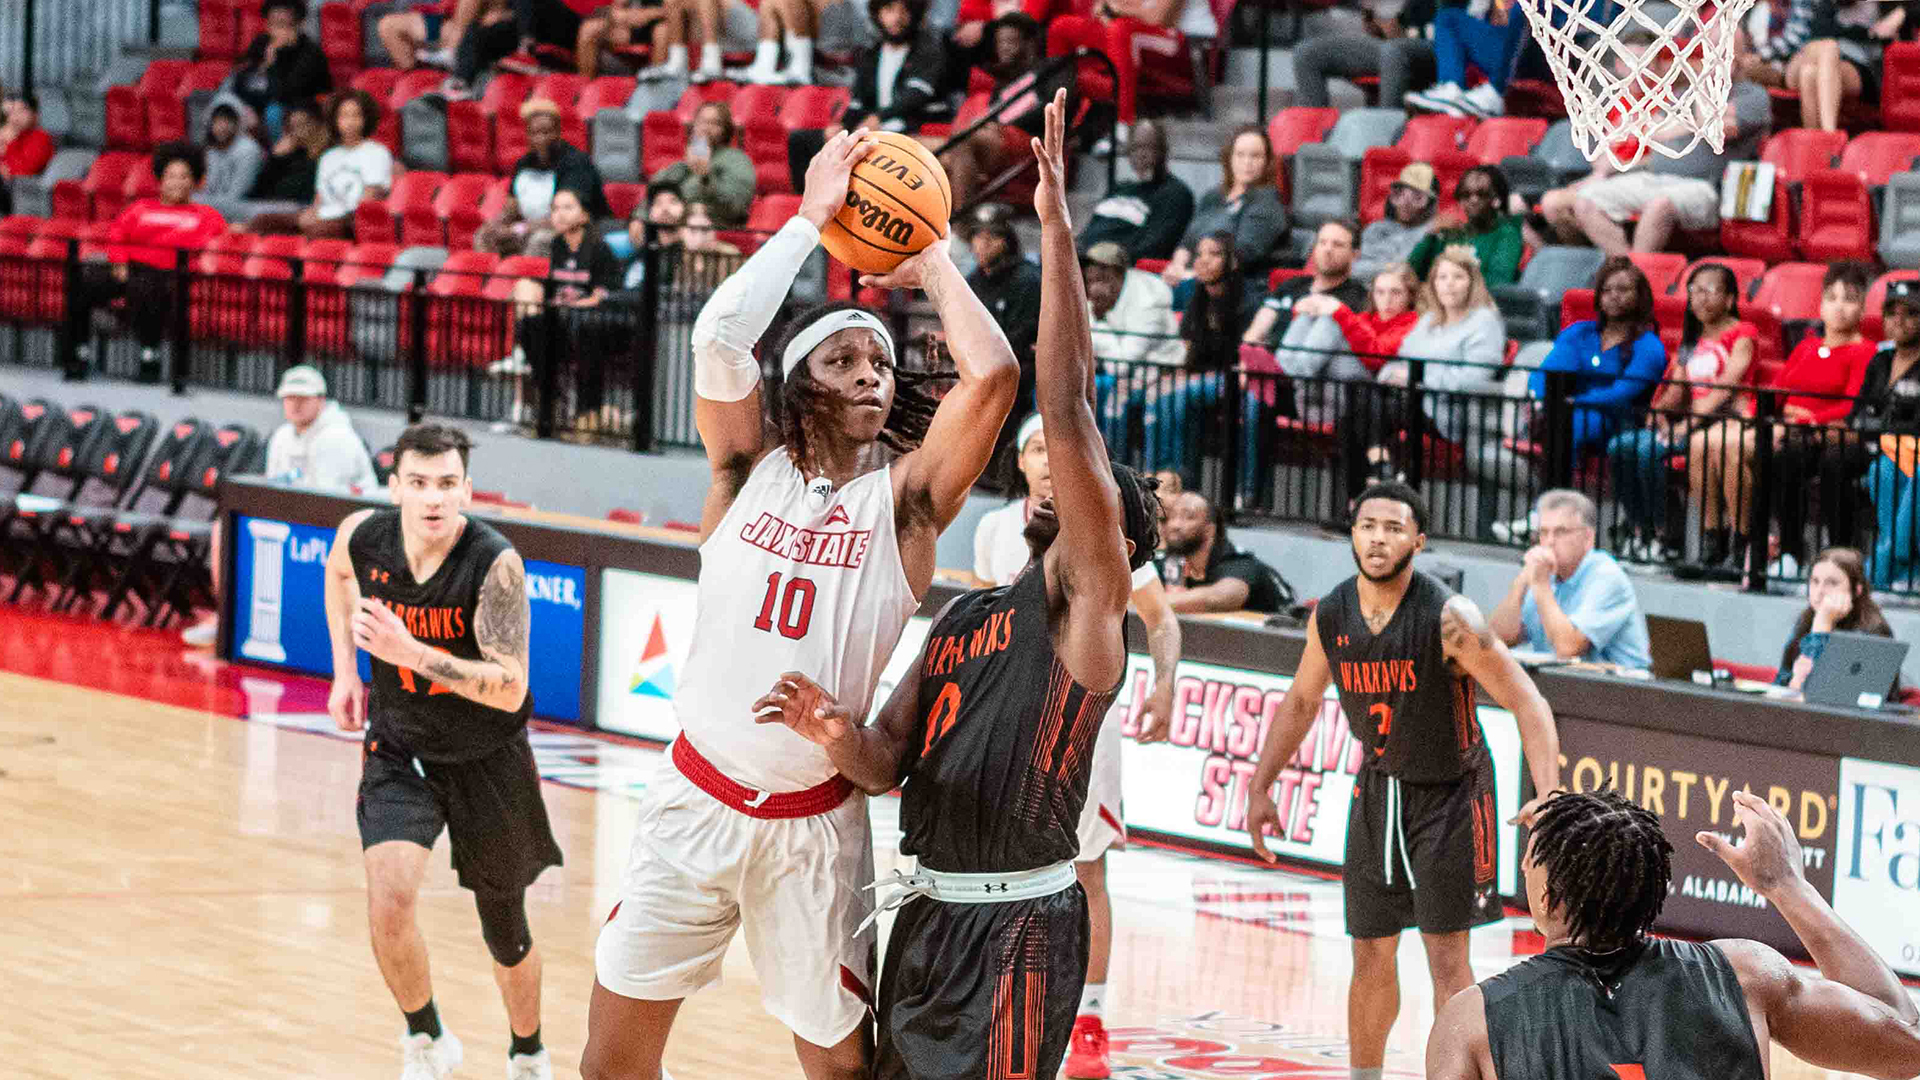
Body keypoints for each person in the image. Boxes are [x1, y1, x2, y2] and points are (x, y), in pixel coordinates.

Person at [582, 129, 1019, 1080]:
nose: (872, 372)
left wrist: (933, 255)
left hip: (814, 828)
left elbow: (994, 377)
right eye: (846, 360)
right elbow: (717, 337)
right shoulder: (746, 471)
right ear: (797, 390)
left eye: (881, 362)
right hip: (691, 801)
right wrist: (811, 221)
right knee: (607, 1065)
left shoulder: (904, 503)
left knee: (837, 1071)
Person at [752, 93, 1159, 1080]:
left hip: (1020, 932)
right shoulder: (968, 614)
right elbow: (889, 760)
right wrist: (833, 735)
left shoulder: (1085, 607)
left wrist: (1054, 233)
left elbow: (1062, 400)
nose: (1051, 470)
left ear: (1112, 537)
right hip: (926, 921)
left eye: (1081, 483)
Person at [1244, 481, 1562, 1080]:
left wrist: (1547, 797)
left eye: (1394, 527)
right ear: (1353, 533)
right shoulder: (1332, 613)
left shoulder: (1450, 618)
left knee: (1446, 957)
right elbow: (1300, 703)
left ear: (1417, 539)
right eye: (1368, 525)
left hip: (1453, 794)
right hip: (1380, 790)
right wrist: (1262, 784)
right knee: (1369, 951)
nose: (1378, 538)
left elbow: (1530, 703)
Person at [322, 422, 560, 1080]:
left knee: (505, 931)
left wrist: (411, 654)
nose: (433, 498)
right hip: (400, 749)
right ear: (394, 487)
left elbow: (512, 689)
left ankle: (528, 1050)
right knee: (389, 899)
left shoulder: (494, 563)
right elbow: (337, 573)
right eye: (419, 484)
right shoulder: (363, 536)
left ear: (467, 489)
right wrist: (346, 671)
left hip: (488, 758)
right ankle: (426, 1038)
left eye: (448, 484)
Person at [1426, 789, 1920, 1080]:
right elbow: (1908, 1045)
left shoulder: (1472, 1022)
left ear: (1548, 900)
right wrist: (1787, 886)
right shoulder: (1746, 975)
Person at [1694, 261, 1876, 573]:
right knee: (1705, 442)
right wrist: (1754, 415)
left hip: (1816, 435)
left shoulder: (1865, 351)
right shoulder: (1806, 346)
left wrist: (1803, 420)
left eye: (1849, 299)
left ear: (1863, 307)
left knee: (1738, 450)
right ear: (1820, 305)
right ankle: (1719, 542)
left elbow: (1851, 405)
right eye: (1832, 299)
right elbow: (1778, 391)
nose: (1839, 308)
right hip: (1782, 427)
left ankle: (1749, 545)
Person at [181, 364, 381, 648]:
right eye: (289, 398)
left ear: (321, 400)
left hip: (339, 529)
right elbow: (273, 489)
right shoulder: (282, 437)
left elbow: (324, 505)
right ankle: (227, 615)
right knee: (223, 529)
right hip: (295, 521)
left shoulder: (338, 439)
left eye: (303, 398)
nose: (295, 404)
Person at [1538, 35, 1771, 256]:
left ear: (1738, 58)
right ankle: (1625, 270)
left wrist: (1701, 97)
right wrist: (1688, 122)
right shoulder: (1682, 94)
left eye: (1722, 51)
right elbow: (1649, 130)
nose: (1712, 58)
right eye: (1708, 51)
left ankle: (1636, 276)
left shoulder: (1753, 96)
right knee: (1584, 203)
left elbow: (1716, 130)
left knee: (1658, 206)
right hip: (1653, 177)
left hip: (1704, 187)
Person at [1608, 261, 1757, 562]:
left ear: (1729, 299)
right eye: (1694, 290)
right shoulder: (1690, 343)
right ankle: (1643, 529)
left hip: (1727, 423)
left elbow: (1728, 384)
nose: (1700, 297)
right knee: (1621, 446)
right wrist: (1660, 412)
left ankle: (1669, 535)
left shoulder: (1744, 333)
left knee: (1649, 451)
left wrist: (1689, 424)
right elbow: (1676, 391)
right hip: (1693, 425)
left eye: (1710, 290)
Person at [1369, 245, 1517, 537]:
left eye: (1457, 277)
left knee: (1382, 405)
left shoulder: (1485, 322)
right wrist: (1393, 376)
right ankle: (1378, 472)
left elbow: (1475, 378)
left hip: (1451, 412)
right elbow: (1396, 363)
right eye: (1442, 277)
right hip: (1411, 403)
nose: (1448, 284)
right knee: (1362, 402)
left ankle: (1376, 482)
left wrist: (1418, 379)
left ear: (1472, 282)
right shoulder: (1428, 320)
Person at [71, 143, 228, 384]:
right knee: (84, 281)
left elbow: (216, 241)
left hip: (169, 275)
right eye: (170, 176)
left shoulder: (207, 215)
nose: (176, 182)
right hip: (130, 267)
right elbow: (117, 235)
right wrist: (120, 263)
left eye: (184, 176)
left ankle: (149, 357)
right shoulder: (139, 208)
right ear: (160, 180)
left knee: (146, 288)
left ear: (194, 182)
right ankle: (78, 351)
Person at [783, 0, 951, 190]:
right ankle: (805, 204)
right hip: (873, 129)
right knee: (802, 140)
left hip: (912, 126)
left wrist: (878, 117)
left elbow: (916, 95)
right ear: (878, 13)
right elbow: (858, 102)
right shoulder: (871, 54)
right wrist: (843, 127)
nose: (897, 18)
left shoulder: (928, 48)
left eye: (904, 11)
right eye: (889, 9)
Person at [1489, 488, 1652, 668]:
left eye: (1560, 532)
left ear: (1588, 538)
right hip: (1564, 686)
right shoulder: (1545, 574)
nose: (1549, 541)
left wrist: (1541, 586)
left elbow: (1568, 648)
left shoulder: (1606, 576)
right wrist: (1520, 585)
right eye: (1543, 532)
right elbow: (1498, 639)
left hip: (1626, 690)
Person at [932, 13, 1073, 212]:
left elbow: (1057, 109)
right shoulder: (1003, 82)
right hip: (997, 138)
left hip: (1032, 140)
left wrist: (1003, 126)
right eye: (999, 42)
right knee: (919, 146)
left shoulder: (1055, 67)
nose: (1002, 48)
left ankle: (961, 222)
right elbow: (993, 114)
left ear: (1030, 44)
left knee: (962, 140)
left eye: (1009, 41)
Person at [510, 188, 624, 432]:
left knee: (582, 328)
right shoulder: (557, 245)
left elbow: (601, 295)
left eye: (567, 207)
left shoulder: (598, 248)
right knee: (529, 326)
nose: (559, 214)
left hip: (594, 326)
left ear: (583, 215)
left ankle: (586, 413)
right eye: (555, 208)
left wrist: (574, 305)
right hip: (564, 320)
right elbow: (557, 286)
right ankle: (551, 399)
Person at [1529, 257, 1666, 459]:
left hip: (1620, 420)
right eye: (1606, 290)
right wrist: (1543, 400)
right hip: (1568, 410)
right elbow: (1547, 372)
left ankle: (1561, 485)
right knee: (1564, 420)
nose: (1613, 296)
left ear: (1640, 296)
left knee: (1577, 422)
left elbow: (1622, 393)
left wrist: (1573, 402)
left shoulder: (1649, 346)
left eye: (1623, 289)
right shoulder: (1579, 332)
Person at [1042, 0, 1217, 150]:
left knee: (1121, 30)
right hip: (1139, 34)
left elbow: (1159, 18)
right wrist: (1108, 10)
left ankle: (1124, 125)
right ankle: (1056, 117)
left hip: (1186, 46)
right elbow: (1110, 8)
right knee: (1061, 27)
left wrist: (1119, 9)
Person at [1835, 280, 1920, 564]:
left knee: (1884, 470)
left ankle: (1886, 566)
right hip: (1878, 448)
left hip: (1908, 454)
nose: (1899, 321)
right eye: (1892, 313)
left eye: (1910, 313)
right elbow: (1857, 414)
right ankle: (1838, 556)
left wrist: (1878, 426)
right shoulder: (1881, 361)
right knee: (1837, 460)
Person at [477, 98, 611, 257]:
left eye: (547, 132)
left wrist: (520, 229)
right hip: (527, 228)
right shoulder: (523, 164)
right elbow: (511, 207)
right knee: (484, 235)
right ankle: (494, 280)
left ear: (558, 132)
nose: (541, 138)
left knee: (540, 240)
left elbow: (569, 216)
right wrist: (497, 225)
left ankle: (531, 281)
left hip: (578, 230)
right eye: (535, 133)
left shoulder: (576, 163)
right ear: (527, 135)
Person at [255, 88, 393, 240]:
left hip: (352, 220)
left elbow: (370, 198)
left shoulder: (377, 152)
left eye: (356, 116)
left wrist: (325, 218)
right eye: (344, 116)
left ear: (366, 119)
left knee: (314, 229)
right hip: (324, 214)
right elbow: (319, 199)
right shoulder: (329, 157)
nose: (350, 122)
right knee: (262, 221)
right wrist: (310, 214)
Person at [1160, 125, 1288, 287]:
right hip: (1192, 278)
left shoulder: (1267, 203)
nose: (1247, 162)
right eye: (1240, 155)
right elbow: (1187, 242)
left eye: (1255, 156)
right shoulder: (1212, 196)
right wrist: (1177, 266)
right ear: (1229, 158)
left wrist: (1194, 274)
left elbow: (1241, 255)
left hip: (1232, 287)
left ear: (1267, 162)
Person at [1737, 0, 1881, 131]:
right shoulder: (1751, 8)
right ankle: (1817, 140)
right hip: (1813, 58)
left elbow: (1800, 37)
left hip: (1853, 62)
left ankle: (1828, 135)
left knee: (1828, 49)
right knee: (1809, 72)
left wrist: (1760, 56)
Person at [1776, 546, 1896, 691]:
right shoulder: (1805, 621)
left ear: (1856, 590)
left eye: (1832, 583)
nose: (1819, 592)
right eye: (1815, 581)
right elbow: (1781, 684)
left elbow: (1815, 691)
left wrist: (1821, 628)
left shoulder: (1874, 631)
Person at [1077, 119, 1194, 263]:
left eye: (1148, 147)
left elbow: (1152, 248)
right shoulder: (1119, 188)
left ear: (1163, 151)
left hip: (1113, 270)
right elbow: (1088, 232)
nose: (1141, 154)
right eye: (1135, 148)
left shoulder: (1175, 194)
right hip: (1082, 262)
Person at [1241, 220, 1367, 348]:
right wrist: (1248, 353)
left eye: (1338, 245)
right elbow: (1256, 331)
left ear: (1354, 255)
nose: (1328, 249)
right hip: (1266, 364)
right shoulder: (1290, 285)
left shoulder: (1360, 299)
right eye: (1322, 242)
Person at [1157, 490, 1286, 613]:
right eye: (1172, 516)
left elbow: (1217, 598)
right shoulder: (1171, 561)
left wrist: (1151, 602)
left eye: (1189, 517)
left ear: (1210, 530)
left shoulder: (1239, 563)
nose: (1175, 525)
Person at [1290, 8, 1437, 111]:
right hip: (1394, 44)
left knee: (1394, 51)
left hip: (1438, 50)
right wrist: (1378, 19)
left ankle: (1387, 137)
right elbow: (1389, 26)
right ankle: (1312, 141)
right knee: (1305, 54)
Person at [228, 0, 333, 139]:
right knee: (226, 101)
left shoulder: (311, 53)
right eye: (272, 24)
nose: (277, 31)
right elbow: (240, 81)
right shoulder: (261, 42)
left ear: (298, 25)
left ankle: (278, 155)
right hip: (260, 101)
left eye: (283, 25)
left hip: (301, 107)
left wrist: (275, 62)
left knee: (273, 112)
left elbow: (286, 94)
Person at [1404, 0, 1526, 119]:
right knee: (1448, 18)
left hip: (1527, 52)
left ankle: (1496, 91)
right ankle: (1450, 87)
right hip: (1501, 45)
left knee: (1524, 8)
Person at [1406, 166, 1525, 288]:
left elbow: (1497, 283)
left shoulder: (1507, 235)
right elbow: (1411, 274)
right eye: (1466, 195)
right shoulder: (1450, 232)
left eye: (1482, 194)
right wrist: (1429, 234)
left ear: (1496, 200)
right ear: (1460, 201)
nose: (1473, 200)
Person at [443, 0, 584, 100]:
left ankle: (526, 42)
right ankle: (460, 82)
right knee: (477, 31)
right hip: (530, 23)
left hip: (566, 22)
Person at [648, 100, 755, 227]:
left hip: (709, 229)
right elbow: (656, 189)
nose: (705, 127)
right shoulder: (683, 164)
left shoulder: (736, 160)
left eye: (714, 123)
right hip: (669, 228)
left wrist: (706, 179)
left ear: (725, 130)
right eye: (701, 121)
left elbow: (736, 206)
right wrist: (639, 218)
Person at [632, 0, 758, 81]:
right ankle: (677, 64)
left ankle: (712, 63)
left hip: (747, 30)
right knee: (671, 4)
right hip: (720, 37)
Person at [1353, 163, 1437, 284]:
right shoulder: (1375, 228)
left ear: (1429, 205)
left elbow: (1412, 270)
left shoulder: (1431, 233)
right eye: (1400, 195)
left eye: (1417, 198)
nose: (1405, 204)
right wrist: (1390, 268)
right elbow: (1354, 269)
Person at [377, 0, 512, 72]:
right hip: (445, 22)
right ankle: (413, 80)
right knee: (389, 25)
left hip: (480, 28)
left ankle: (452, 54)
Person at [247, 99, 330, 205]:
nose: (300, 132)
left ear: (320, 123)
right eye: (294, 128)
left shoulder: (327, 155)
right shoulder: (294, 155)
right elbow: (258, 193)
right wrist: (277, 158)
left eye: (304, 124)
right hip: (275, 208)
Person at [0, 89, 54, 214]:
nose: (16, 115)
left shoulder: (41, 137)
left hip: (27, 191)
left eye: (22, 110)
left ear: (35, 114)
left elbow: (25, 170)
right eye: (13, 111)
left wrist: (9, 143)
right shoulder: (11, 135)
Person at [201, 103, 267, 204]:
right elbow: (208, 188)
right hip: (217, 206)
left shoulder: (248, 150)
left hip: (246, 208)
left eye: (226, 121)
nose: (222, 127)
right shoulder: (212, 151)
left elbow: (237, 195)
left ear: (237, 124)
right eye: (217, 122)